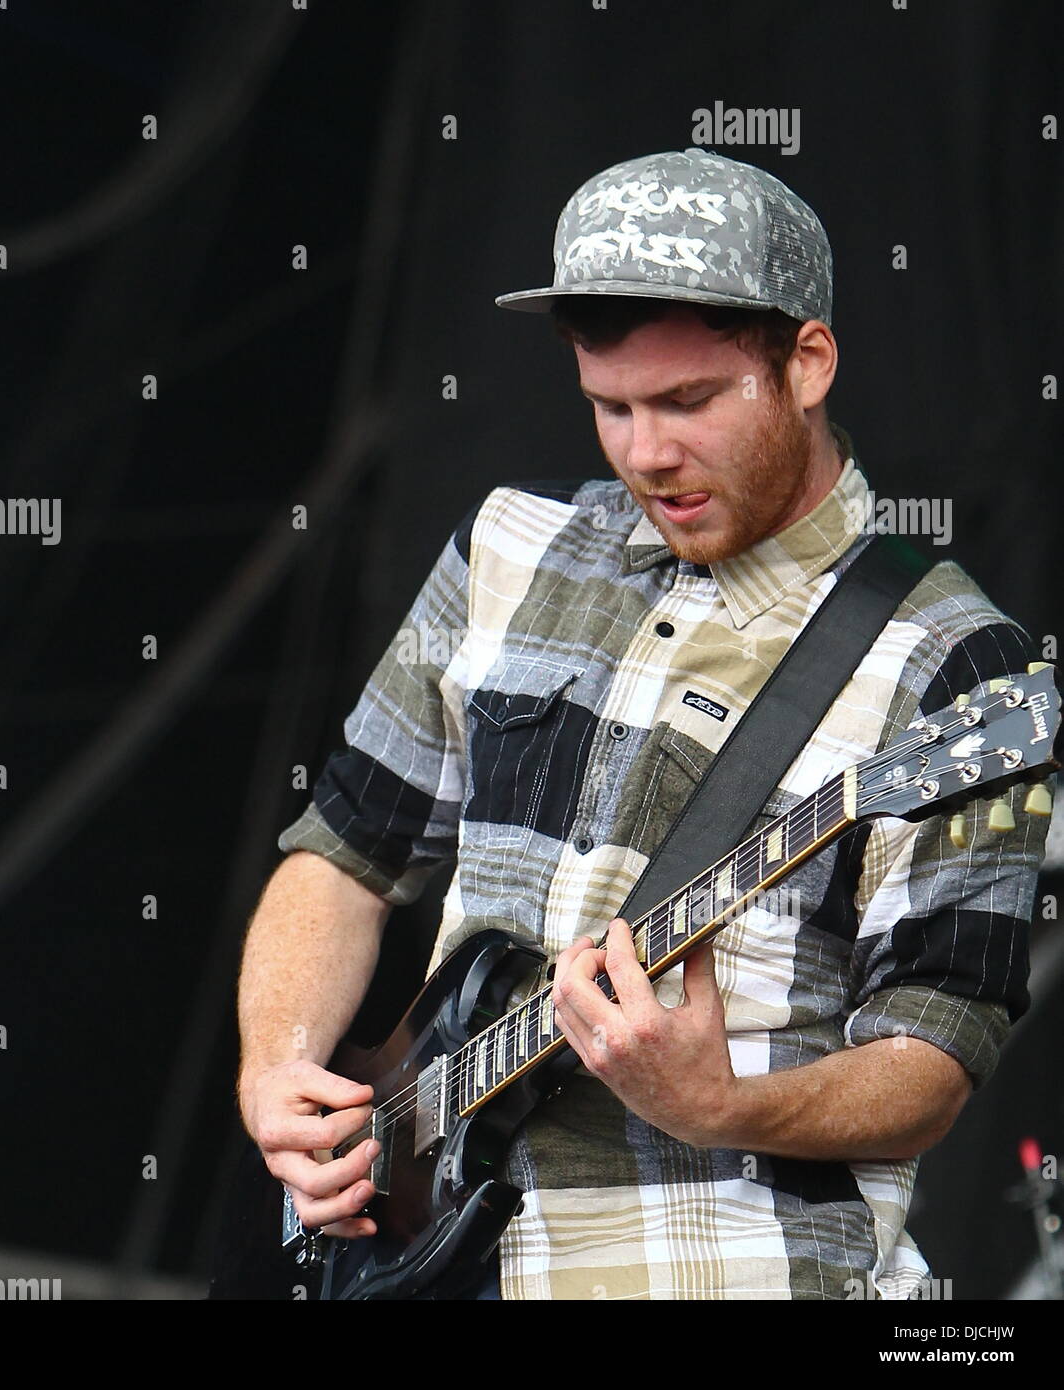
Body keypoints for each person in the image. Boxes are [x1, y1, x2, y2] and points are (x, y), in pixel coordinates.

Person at [234, 149, 1052, 1299]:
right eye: (607, 406)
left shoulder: (951, 660)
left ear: (805, 362)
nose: (643, 452)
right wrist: (276, 1066)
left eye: (687, 402)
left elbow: (934, 1048)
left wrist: (722, 1105)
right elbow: (343, 855)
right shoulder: (504, 549)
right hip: (422, 1261)